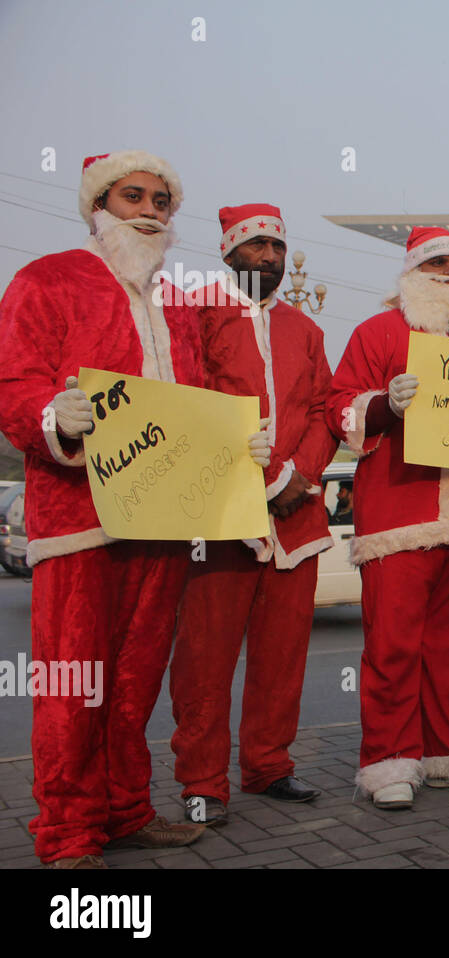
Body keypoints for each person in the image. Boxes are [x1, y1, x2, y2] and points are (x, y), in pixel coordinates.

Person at [0, 150, 230, 866]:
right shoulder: (48, 279)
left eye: (163, 200)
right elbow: (13, 384)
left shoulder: (178, 303)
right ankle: (67, 832)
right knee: (74, 683)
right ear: (98, 204)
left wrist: (233, 445)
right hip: (79, 522)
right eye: (134, 196)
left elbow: (195, 407)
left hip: (161, 523)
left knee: (135, 681)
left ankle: (125, 809)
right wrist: (52, 415)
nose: (150, 211)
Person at [325, 226, 449, 808]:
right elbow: (339, 411)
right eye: (434, 263)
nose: (445, 273)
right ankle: (388, 763)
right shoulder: (377, 332)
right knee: (392, 649)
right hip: (399, 520)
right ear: (411, 270)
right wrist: (385, 404)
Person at [168, 204, 337, 827]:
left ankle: (268, 765)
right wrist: (263, 478)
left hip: (297, 519)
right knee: (204, 660)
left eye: (277, 247)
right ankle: (202, 781)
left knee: (282, 654)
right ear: (228, 252)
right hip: (219, 517)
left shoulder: (307, 330)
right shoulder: (194, 314)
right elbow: (186, 403)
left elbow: (324, 412)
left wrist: (299, 477)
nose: (269, 257)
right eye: (257, 246)